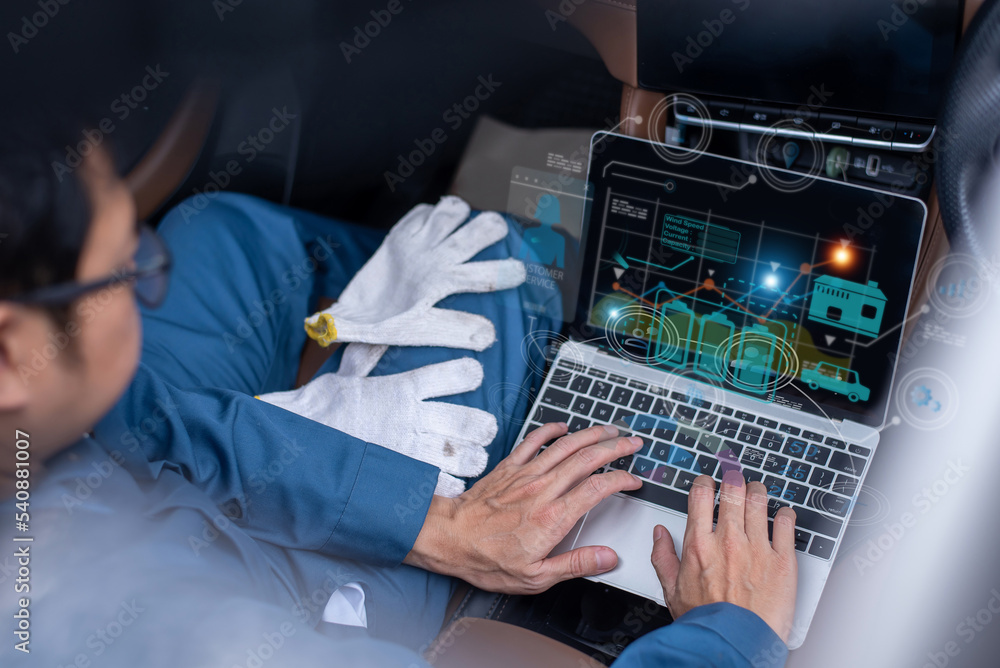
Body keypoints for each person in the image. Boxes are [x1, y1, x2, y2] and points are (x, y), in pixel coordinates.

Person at [0, 127, 797, 667]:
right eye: (128, 269)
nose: (145, 279)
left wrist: (430, 520)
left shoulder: (30, 427)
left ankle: (353, 354)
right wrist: (730, 630)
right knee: (494, 259)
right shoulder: (131, 626)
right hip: (284, 603)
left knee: (217, 231)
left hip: (145, 512)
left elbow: (151, 422)